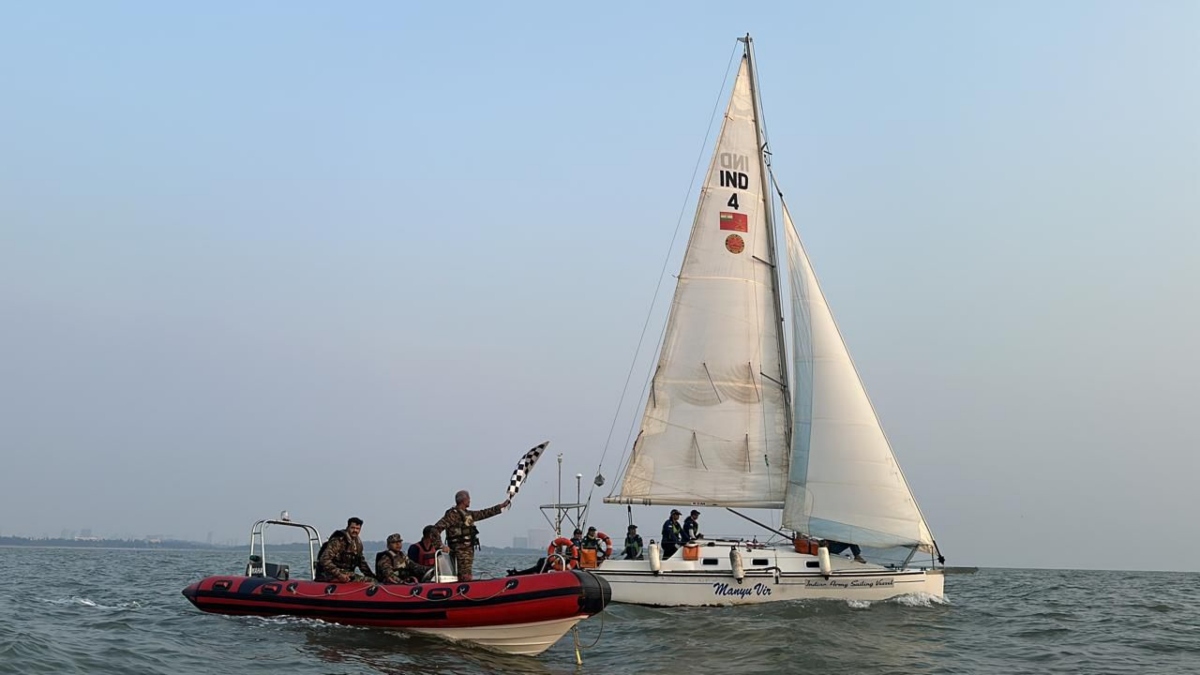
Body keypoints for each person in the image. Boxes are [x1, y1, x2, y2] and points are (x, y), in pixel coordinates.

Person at [433, 489, 510, 582]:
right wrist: (440, 545)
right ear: (463, 500)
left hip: (468, 550)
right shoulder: (452, 515)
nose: (470, 500)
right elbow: (435, 529)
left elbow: (483, 513)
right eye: (468, 498)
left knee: (467, 573)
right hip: (460, 551)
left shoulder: (467, 514)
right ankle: (462, 590)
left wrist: (500, 506)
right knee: (464, 575)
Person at [316, 517, 375, 582]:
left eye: (357, 529)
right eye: (353, 528)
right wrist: (339, 575)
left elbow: (361, 563)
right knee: (367, 580)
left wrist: (373, 576)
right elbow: (324, 560)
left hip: (346, 573)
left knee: (371, 580)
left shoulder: (357, 544)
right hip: (329, 574)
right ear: (348, 527)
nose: (355, 530)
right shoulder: (338, 541)